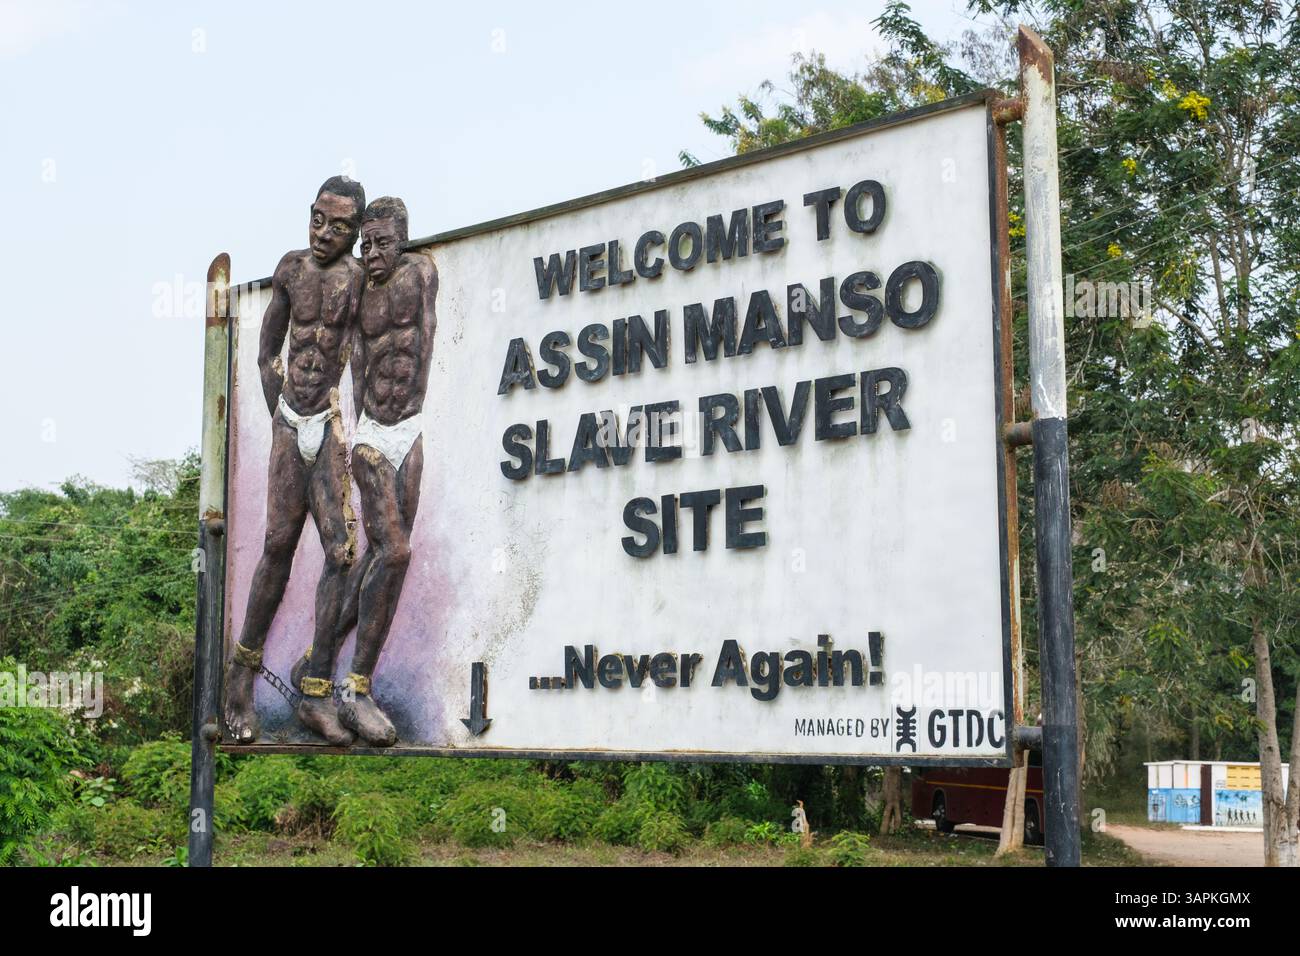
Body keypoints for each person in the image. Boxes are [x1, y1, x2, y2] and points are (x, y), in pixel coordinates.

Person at [224, 176, 366, 746]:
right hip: (290, 421)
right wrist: (280, 419)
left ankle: (314, 688)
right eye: (319, 220)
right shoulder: (289, 269)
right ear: (309, 215)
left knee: (342, 553)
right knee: (276, 548)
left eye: (339, 226)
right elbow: (266, 352)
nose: (325, 233)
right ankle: (240, 677)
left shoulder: (360, 282)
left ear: (355, 232)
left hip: (329, 425)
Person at [331, 196, 437, 746]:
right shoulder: (357, 294)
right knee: (394, 552)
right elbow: (351, 365)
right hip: (373, 432)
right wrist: (354, 437)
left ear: (403, 241)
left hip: (410, 429)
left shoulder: (422, 274)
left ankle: (321, 655)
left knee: (381, 558)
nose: (371, 253)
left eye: (382, 243)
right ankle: (356, 687)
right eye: (364, 243)